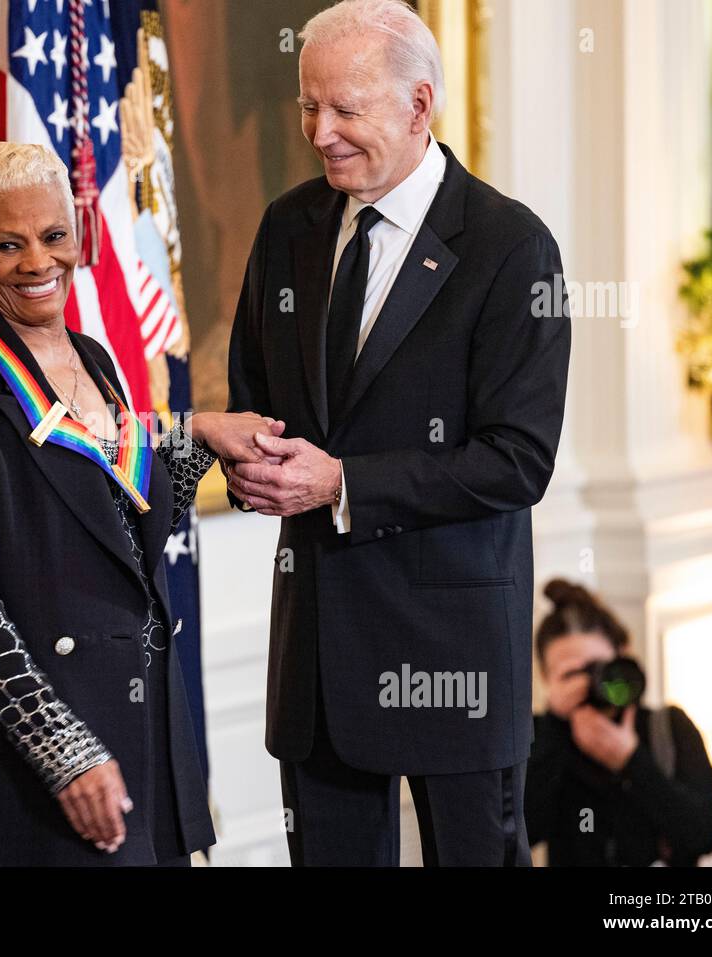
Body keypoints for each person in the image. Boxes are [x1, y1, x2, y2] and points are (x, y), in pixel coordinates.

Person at [223, 0, 571, 865]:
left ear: (418, 106)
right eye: (309, 106)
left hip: (450, 664)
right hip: (317, 669)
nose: (320, 132)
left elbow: (517, 461)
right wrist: (249, 466)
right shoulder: (287, 229)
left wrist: (341, 484)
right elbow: (254, 402)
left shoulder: (511, 247)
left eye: (346, 108)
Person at [0, 141, 281, 866]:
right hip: (28, 761)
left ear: (78, 231)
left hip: (136, 722)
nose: (39, 263)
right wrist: (65, 753)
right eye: (8, 245)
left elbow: (123, 527)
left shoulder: (95, 359)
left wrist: (203, 433)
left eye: (53, 236)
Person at [526, 579, 712, 866]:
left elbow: (703, 835)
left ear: (624, 656)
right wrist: (555, 728)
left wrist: (630, 759)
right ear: (546, 679)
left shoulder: (668, 729)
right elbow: (525, 830)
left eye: (597, 669)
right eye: (570, 675)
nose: (588, 684)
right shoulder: (542, 735)